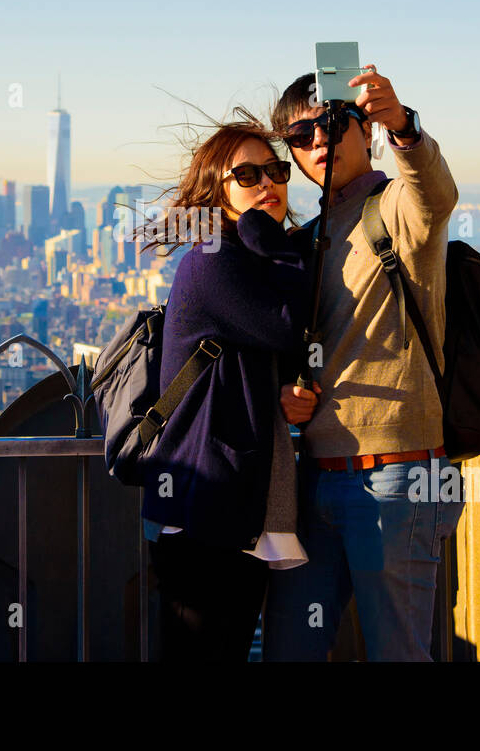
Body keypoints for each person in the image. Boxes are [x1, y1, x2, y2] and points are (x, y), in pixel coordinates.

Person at [262, 65, 464, 661]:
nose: (320, 142)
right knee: (288, 652)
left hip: (397, 480)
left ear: (363, 127)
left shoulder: (395, 211)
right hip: (316, 480)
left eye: (332, 125)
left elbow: (436, 193)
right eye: (302, 137)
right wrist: (287, 394)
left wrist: (403, 124)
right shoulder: (306, 240)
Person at [134, 107, 319, 661]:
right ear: (218, 193)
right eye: (248, 176)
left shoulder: (240, 258)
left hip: (230, 508)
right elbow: (290, 325)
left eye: (277, 170)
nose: (268, 183)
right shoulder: (213, 260)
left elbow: (258, 353)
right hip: (204, 514)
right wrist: (275, 238)